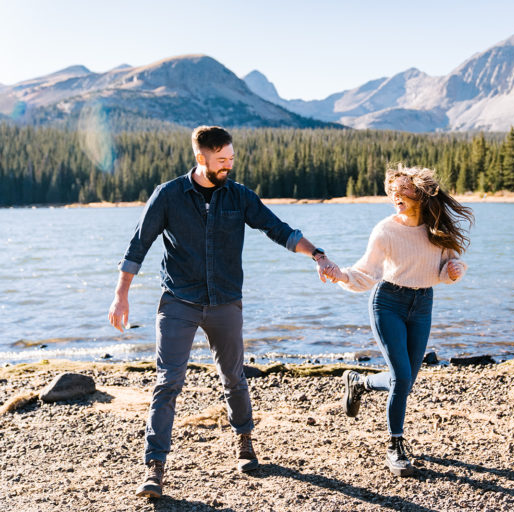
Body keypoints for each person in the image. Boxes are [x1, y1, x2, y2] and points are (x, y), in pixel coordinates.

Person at [108, 125, 339, 498]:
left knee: (233, 376)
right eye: (221, 161)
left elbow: (278, 229)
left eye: (231, 159)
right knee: (167, 382)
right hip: (178, 302)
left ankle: (245, 441)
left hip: (225, 302)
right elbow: (138, 245)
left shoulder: (239, 196)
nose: (228, 166)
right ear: (201, 158)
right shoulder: (168, 195)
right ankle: (154, 468)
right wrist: (121, 295)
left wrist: (318, 254)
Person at [325, 164, 473, 476]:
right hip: (388, 303)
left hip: (422, 304)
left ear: (421, 194)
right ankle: (395, 446)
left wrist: (454, 272)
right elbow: (367, 272)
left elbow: (446, 268)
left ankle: (359, 382)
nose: (396, 195)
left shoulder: (436, 228)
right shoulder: (386, 230)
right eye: (393, 190)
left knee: (405, 380)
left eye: (403, 190)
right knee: (402, 378)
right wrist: (340, 275)